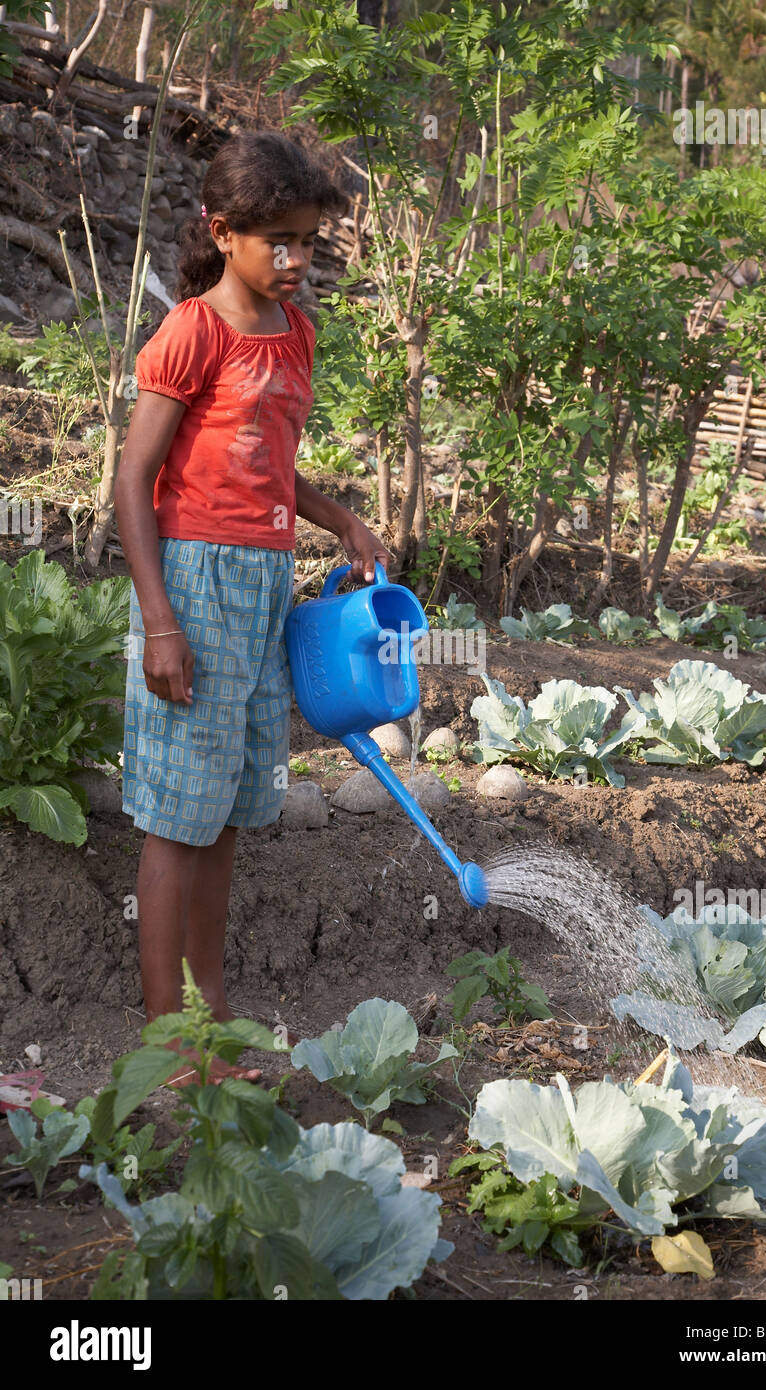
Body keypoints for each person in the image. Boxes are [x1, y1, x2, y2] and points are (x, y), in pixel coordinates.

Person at [115, 131, 389, 1085]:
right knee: (173, 819)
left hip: (265, 587)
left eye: (309, 240)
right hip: (191, 584)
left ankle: (215, 1018)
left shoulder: (295, 332)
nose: (299, 258)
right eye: (279, 241)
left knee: (228, 808)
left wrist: (339, 516)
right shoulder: (193, 331)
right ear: (224, 233)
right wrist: (160, 623)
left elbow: (270, 463)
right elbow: (134, 480)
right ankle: (169, 1042)